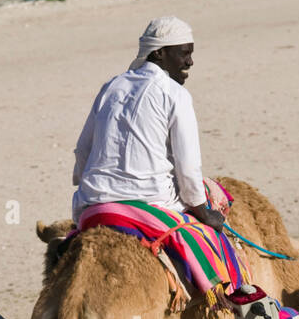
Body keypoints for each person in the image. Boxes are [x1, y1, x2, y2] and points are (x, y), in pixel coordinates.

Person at [71, 16, 226, 230]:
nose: (190, 62)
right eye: (184, 53)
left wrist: (91, 184)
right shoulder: (175, 94)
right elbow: (188, 167)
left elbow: (82, 150)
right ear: (159, 53)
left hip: (93, 201)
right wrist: (203, 213)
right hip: (153, 201)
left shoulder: (112, 86)